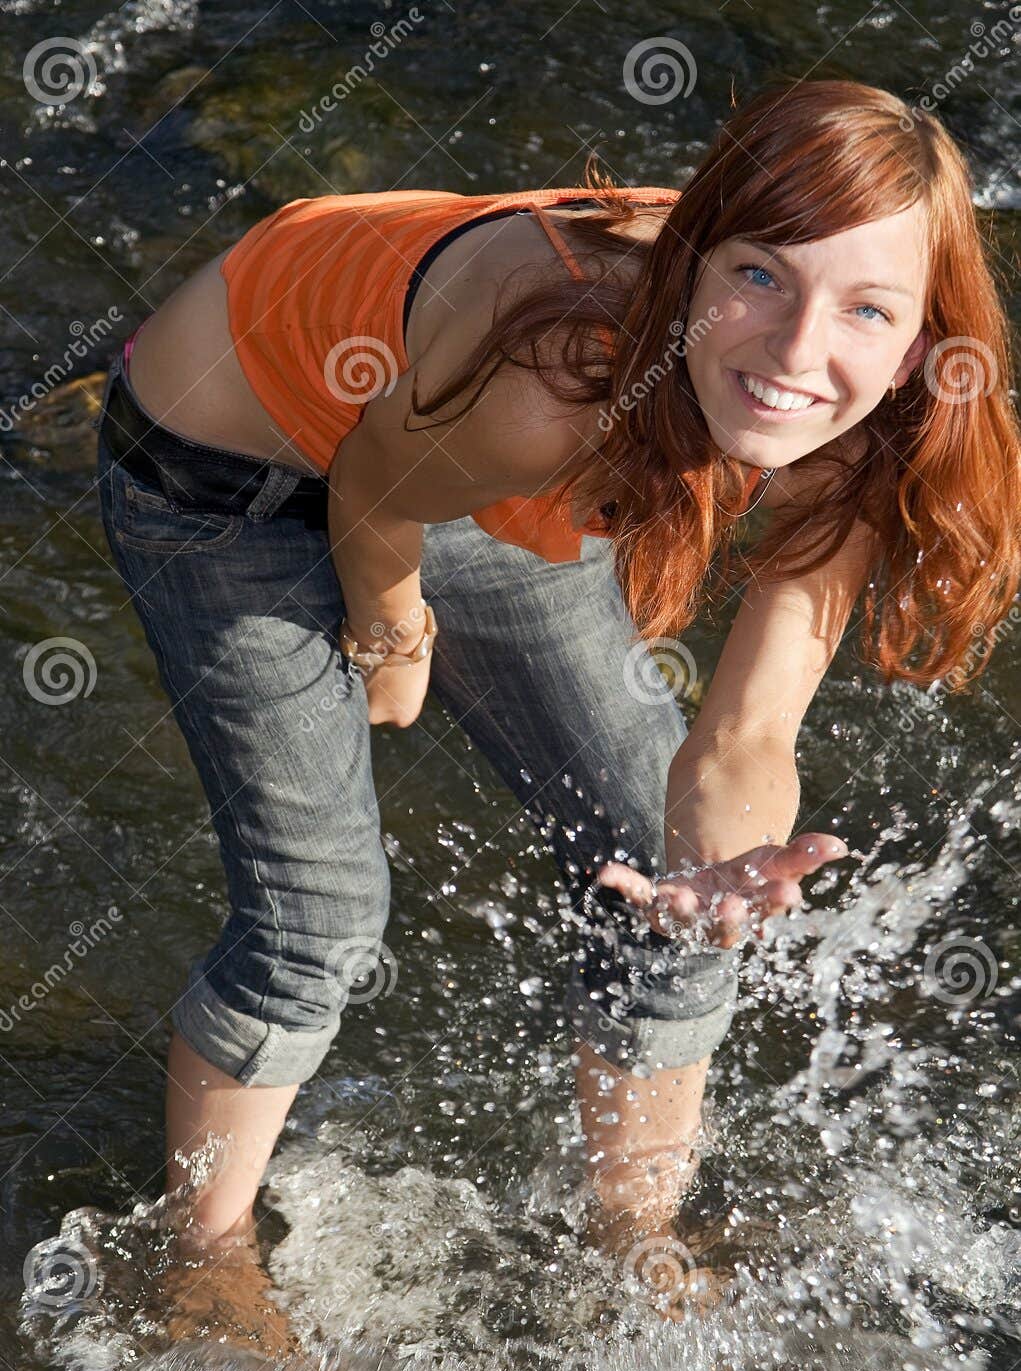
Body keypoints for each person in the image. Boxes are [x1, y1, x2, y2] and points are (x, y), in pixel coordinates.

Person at [94, 77, 1021, 1255]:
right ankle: (201, 1260)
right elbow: (374, 483)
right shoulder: (561, 371)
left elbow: (745, 735)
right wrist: (392, 636)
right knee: (317, 920)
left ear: (916, 350)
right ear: (691, 262)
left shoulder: (866, 435)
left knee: (664, 887)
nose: (800, 350)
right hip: (233, 461)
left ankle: (635, 1238)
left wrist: (720, 871)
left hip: (465, 458)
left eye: (866, 312)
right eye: (759, 275)